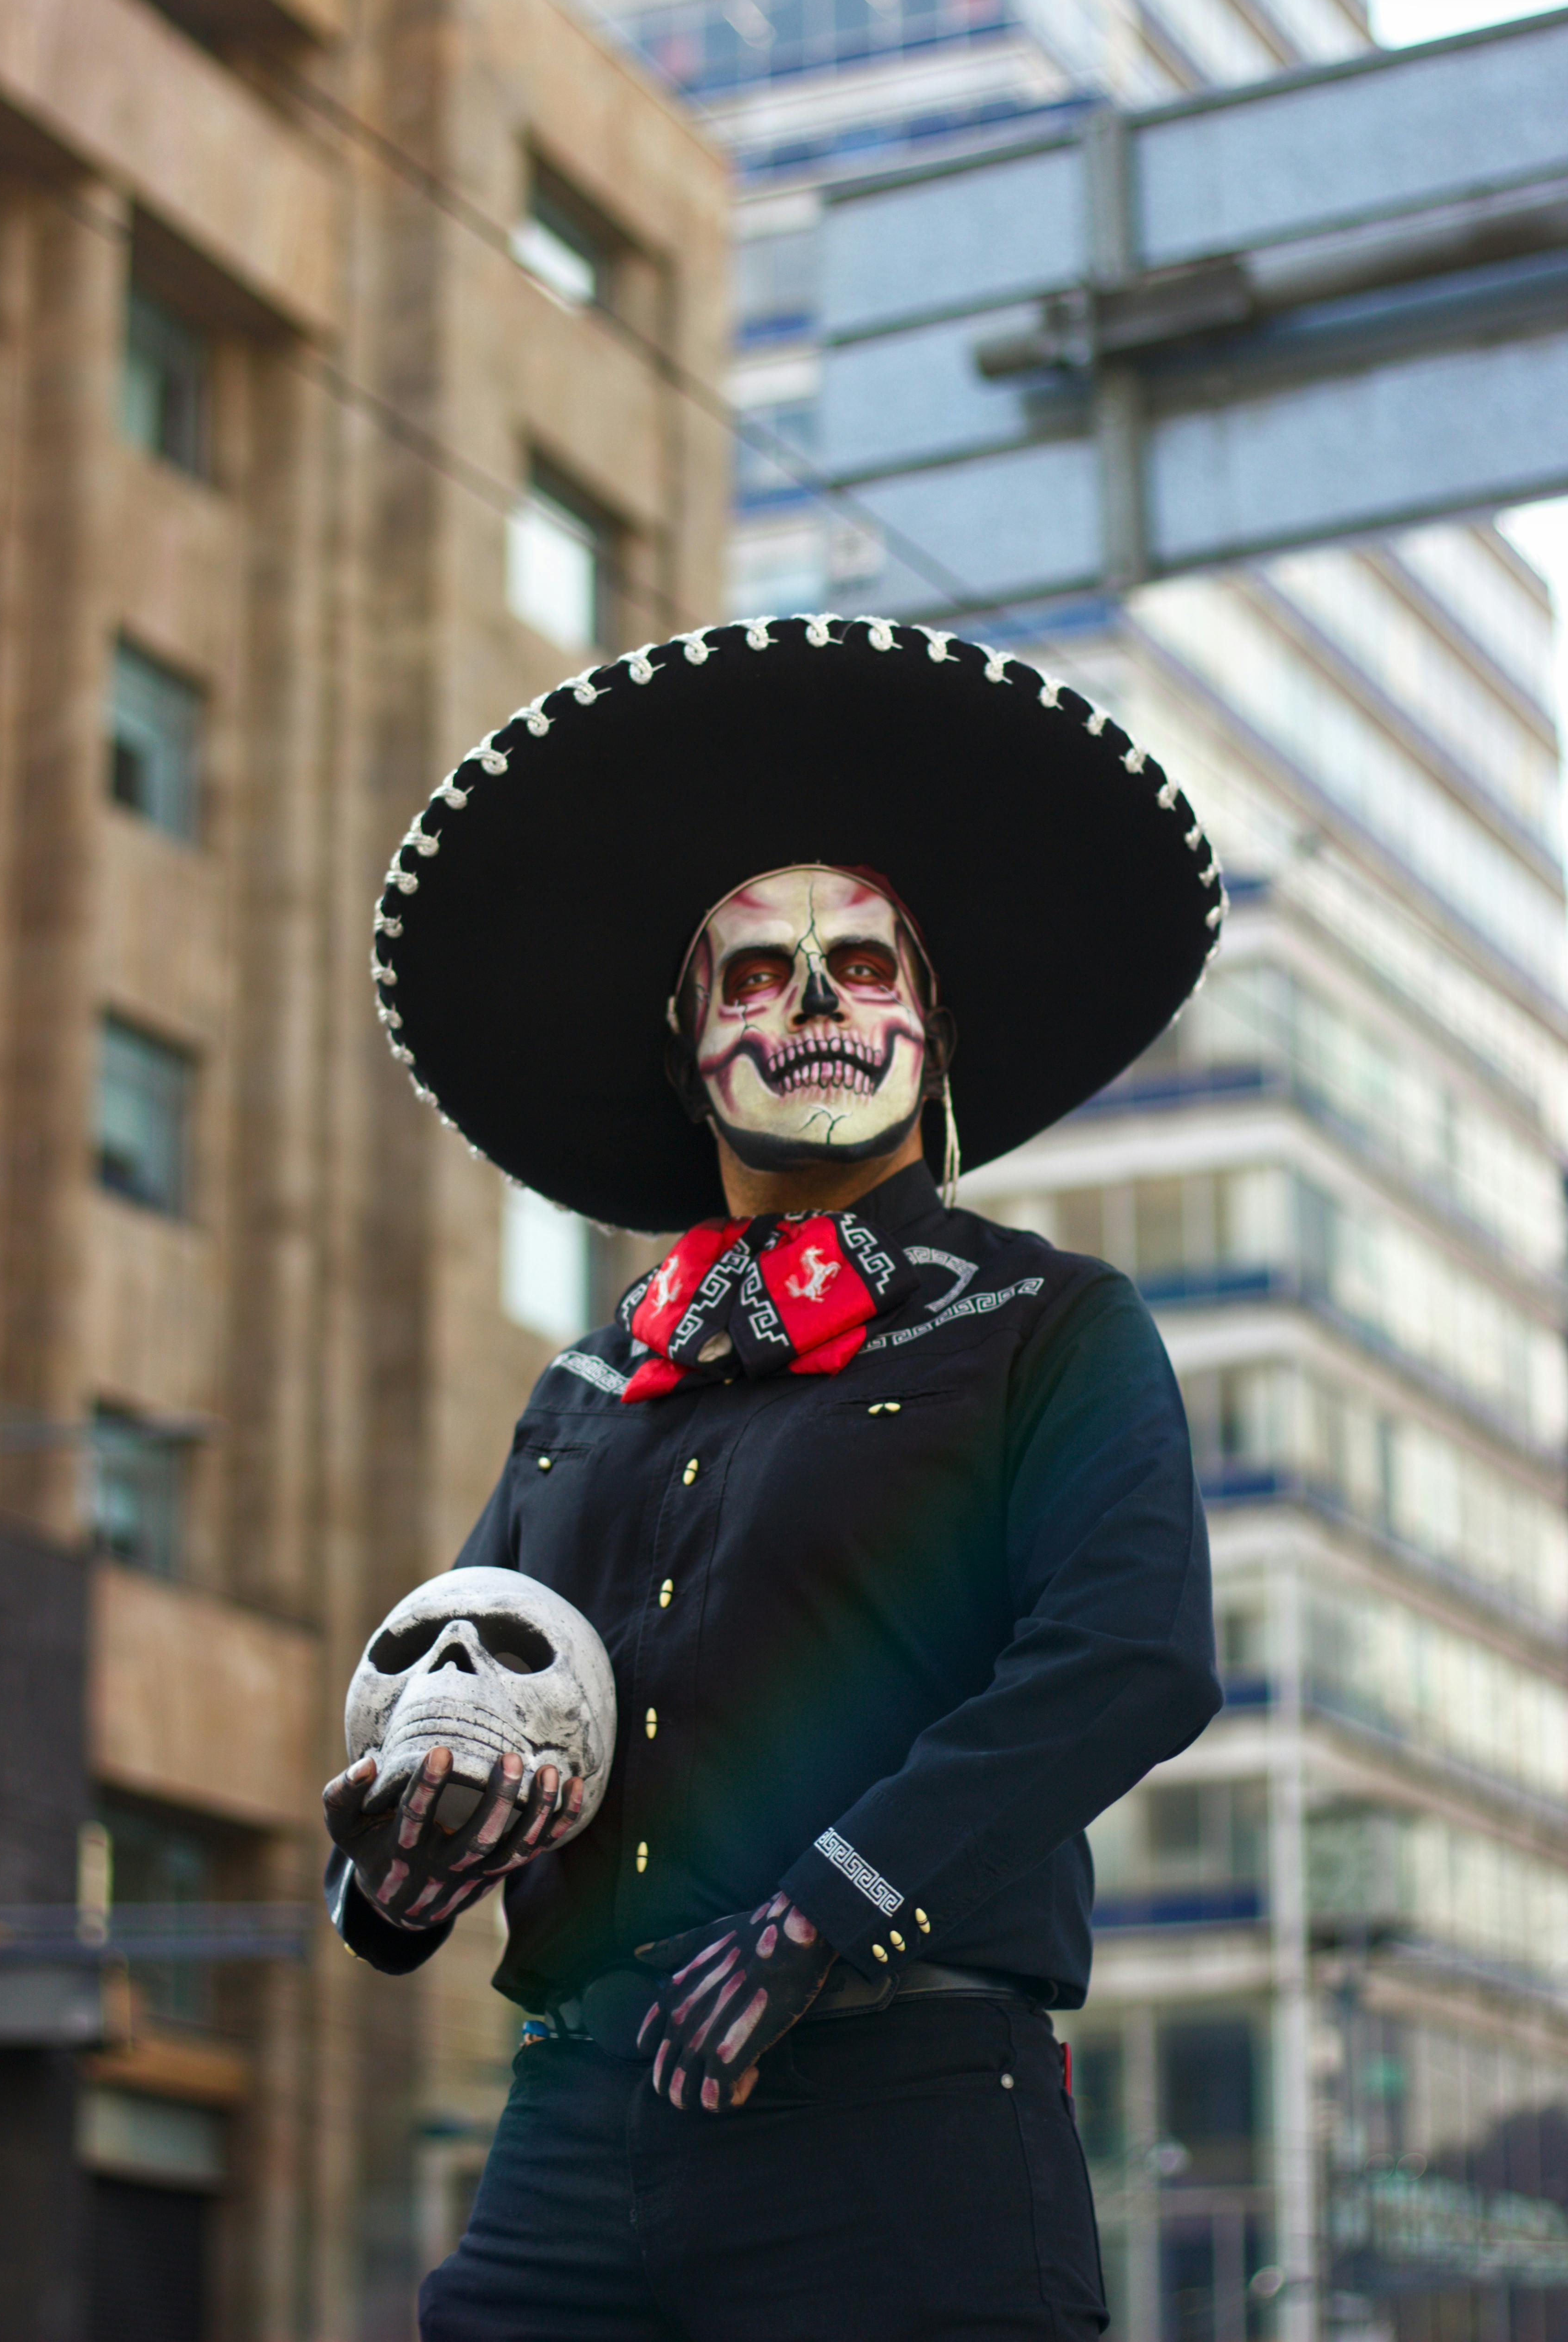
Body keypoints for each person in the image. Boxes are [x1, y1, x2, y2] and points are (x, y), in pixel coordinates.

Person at [324, 614, 1227, 2340]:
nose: (814, 1009)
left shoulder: (1051, 1323)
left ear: (933, 1031)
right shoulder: (590, 1380)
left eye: (864, 967)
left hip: (903, 2134)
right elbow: (473, 1671)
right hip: (581, 2128)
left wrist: (830, 1909)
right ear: (688, 1049)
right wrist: (396, 1868)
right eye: (753, 977)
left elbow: (1132, 1658)